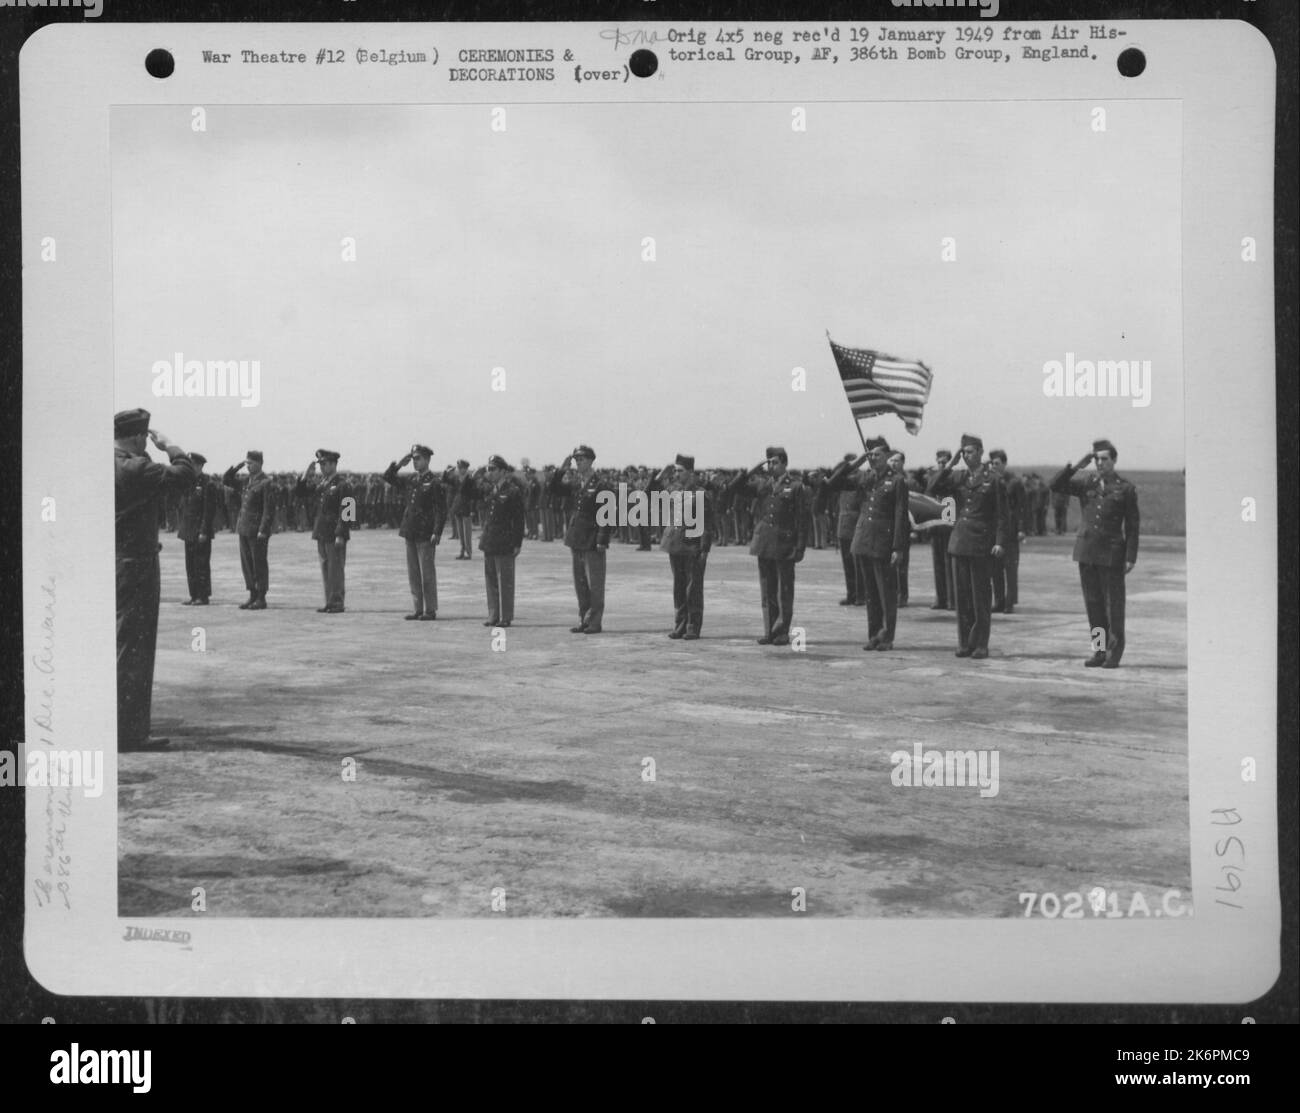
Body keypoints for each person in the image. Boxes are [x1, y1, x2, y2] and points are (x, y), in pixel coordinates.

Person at [114, 408, 199, 751]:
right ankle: (129, 732)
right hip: (137, 565)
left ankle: (114, 722)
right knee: (136, 647)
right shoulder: (135, 467)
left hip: (113, 560)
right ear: (138, 436)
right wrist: (171, 446)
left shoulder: (107, 463)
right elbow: (185, 475)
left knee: (119, 642)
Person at [1050, 439, 1139, 668]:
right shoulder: (1086, 483)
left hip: (1111, 554)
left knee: (1113, 608)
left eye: (1104, 459)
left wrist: (1130, 556)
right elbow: (1055, 485)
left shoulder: (1125, 489)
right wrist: (1076, 466)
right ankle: (1099, 651)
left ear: (1114, 460)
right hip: (1087, 553)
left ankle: (1113, 654)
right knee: (1094, 607)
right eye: (1097, 459)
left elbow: (1132, 526)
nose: (1100, 463)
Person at [926, 434, 1006, 659]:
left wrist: (999, 542)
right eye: (964, 452)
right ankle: (964, 643)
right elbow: (933, 486)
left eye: (970, 452)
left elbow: (1001, 515)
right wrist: (951, 463)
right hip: (959, 542)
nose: (967, 456)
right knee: (962, 599)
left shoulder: (994, 479)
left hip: (981, 544)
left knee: (980, 597)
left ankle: (981, 644)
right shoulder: (959, 476)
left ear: (980, 452)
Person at [728, 446, 811, 646]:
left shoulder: (797, 486)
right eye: (768, 462)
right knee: (767, 590)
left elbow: (803, 518)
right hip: (764, 543)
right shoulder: (763, 485)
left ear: (784, 463)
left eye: (774, 462)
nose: (771, 466)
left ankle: (782, 631)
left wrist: (800, 547)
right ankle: (769, 630)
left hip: (784, 544)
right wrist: (751, 470)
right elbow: (735, 488)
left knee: (784, 590)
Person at [844, 438, 910, 650]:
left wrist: (898, 547)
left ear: (888, 457)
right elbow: (838, 480)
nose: (873, 458)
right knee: (871, 593)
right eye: (870, 455)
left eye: (877, 455)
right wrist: (857, 462)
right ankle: (874, 634)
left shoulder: (898, 480)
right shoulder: (866, 477)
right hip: (863, 540)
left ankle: (887, 636)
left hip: (883, 543)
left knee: (886, 594)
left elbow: (900, 515)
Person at [646, 454, 714, 639]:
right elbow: (650, 491)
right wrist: (661, 473)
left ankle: (693, 626)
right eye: (675, 470)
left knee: (693, 589)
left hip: (692, 546)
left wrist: (704, 549)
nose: (676, 474)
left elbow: (707, 524)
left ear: (691, 472)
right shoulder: (673, 490)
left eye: (680, 471)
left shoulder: (700, 493)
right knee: (679, 586)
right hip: (675, 544)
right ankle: (680, 624)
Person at [550, 445, 613, 633]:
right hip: (576, 537)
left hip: (592, 539)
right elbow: (555, 489)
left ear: (592, 460)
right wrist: (561, 470)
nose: (579, 463)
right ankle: (584, 618)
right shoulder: (577, 483)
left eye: (582, 459)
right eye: (576, 460)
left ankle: (594, 621)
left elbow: (607, 514)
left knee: (595, 583)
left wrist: (602, 539)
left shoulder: (601, 484)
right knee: (581, 583)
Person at [382, 443, 446, 621]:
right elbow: (388, 477)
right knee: (414, 574)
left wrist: (437, 532)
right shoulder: (411, 479)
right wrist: (398, 465)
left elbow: (441, 509)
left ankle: (430, 610)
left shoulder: (434, 482)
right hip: (410, 531)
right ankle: (418, 608)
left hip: (426, 533)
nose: (415, 462)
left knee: (427, 574)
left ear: (427, 459)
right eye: (413, 459)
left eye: (418, 458)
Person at [295, 449, 352, 613]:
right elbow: (300, 493)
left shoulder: (343, 485)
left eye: (324, 464)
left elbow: (349, 512)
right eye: (320, 464)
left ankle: (337, 602)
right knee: (326, 569)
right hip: (322, 532)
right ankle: (329, 601)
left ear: (334, 464)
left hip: (335, 534)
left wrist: (341, 533)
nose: (322, 467)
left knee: (336, 569)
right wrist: (305, 475)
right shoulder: (322, 484)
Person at [222, 450, 275, 609]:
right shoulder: (246, 481)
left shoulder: (266, 482)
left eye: (251, 463)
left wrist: (263, 529)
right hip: (244, 528)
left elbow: (268, 509)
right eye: (247, 463)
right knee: (247, 564)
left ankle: (261, 597)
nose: (248, 466)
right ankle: (252, 594)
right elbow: (227, 480)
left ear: (260, 463)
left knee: (258, 563)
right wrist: (236, 467)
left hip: (257, 530)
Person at [478, 455, 526, 627]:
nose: (489, 472)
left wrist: (517, 543)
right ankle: (493, 614)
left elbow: (519, 520)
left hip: (505, 542)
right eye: (488, 469)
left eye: (493, 469)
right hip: (490, 541)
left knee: (504, 581)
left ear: (503, 471)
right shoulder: (492, 490)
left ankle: (505, 616)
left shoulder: (512, 491)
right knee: (491, 580)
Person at [820, 452, 866, 607]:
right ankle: (851, 594)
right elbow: (833, 482)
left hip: (856, 524)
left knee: (858, 564)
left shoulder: (861, 476)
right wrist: (845, 468)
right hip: (844, 525)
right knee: (847, 564)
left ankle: (861, 595)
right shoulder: (843, 479)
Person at [177, 452, 217, 606]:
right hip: (188, 530)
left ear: (200, 466)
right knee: (190, 565)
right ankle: (193, 595)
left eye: (192, 465)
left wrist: (204, 531)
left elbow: (208, 511)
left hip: (200, 532)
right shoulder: (188, 482)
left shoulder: (208, 483)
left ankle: (203, 595)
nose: (189, 467)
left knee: (201, 564)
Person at [988, 449, 1025, 614]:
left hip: (1011, 531)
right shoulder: (990, 481)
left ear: (1004, 463)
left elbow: (1022, 507)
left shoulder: (1015, 483)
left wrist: (1022, 529)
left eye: (996, 463)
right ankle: (999, 601)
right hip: (995, 532)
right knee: (995, 569)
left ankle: (1009, 602)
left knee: (1010, 569)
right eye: (991, 463)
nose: (993, 466)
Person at [925, 449, 956, 611]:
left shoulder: (953, 478)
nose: (942, 464)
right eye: (940, 462)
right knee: (938, 565)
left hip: (949, 525)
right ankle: (941, 598)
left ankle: (952, 599)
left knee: (949, 564)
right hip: (936, 525)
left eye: (945, 462)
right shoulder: (933, 478)